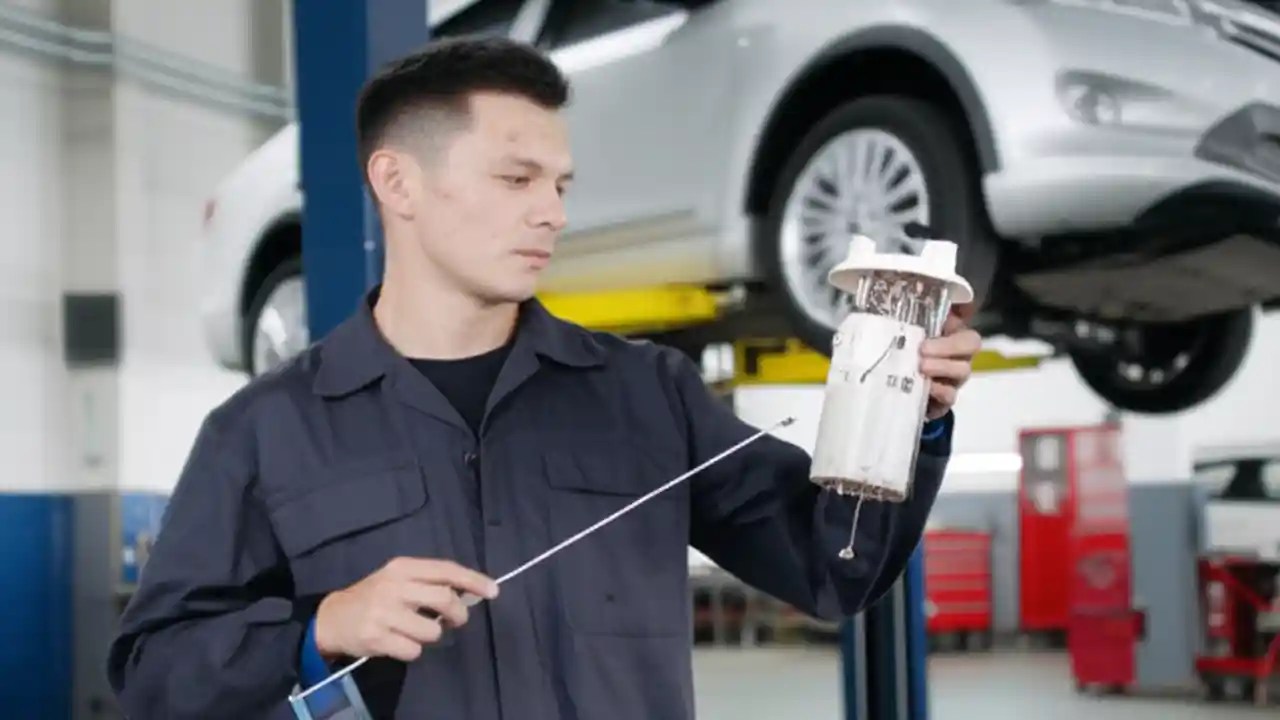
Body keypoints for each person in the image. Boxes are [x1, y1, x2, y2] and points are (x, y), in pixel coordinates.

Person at [107, 36, 981, 720]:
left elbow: (832, 568)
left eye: (560, 184)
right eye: (516, 178)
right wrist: (322, 628)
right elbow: (155, 678)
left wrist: (909, 417)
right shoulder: (266, 430)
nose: (551, 212)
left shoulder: (648, 394)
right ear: (397, 182)